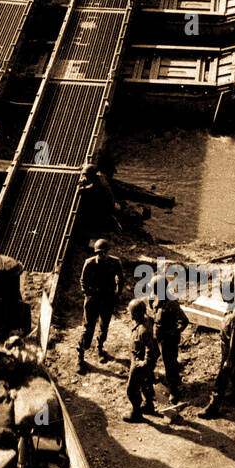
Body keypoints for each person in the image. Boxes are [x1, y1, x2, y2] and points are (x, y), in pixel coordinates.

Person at [198, 291, 235, 418]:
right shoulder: (233, 306)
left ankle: (213, 407)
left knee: (222, 377)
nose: (222, 295)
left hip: (232, 351)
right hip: (229, 348)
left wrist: (229, 360)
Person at [77, 240, 123, 374]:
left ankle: (100, 348)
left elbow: (121, 278)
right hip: (93, 299)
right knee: (88, 328)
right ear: (95, 252)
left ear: (108, 252)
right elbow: (83, 281)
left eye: (104, 253)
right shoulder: (89, 263)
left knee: (104, 326)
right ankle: (80, 356)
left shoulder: (115, 262)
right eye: (99, 253)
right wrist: (88, 294)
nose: (101, 255)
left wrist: (117, 294)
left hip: (107, 299)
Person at [150, 272, 189, 402]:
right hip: (157, 336)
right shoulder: (156, 299)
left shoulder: (172, 303)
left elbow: (184, 321)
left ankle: (174, 390)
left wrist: (174, 333)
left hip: (168, 340)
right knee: (151, 357)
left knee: (170, 365)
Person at [125, 299, 158, 422]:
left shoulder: (143, 330)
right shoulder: (147, 321)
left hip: (139, 363)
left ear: (134, 314)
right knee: (146, 384)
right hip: (144, 363)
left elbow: (150, 348)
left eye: (131, 312)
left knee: (131, 389)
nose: (130, 314)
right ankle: (149, 406)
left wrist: (144, 363)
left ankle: (136, 412)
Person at [78, 162, 117, 236]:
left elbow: (88, 189)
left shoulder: (98, 184)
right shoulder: (99, 177)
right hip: (109, 204)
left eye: (86, 175)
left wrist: (83, 187)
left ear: (91, 175)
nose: (84, 176)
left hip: (106, 208)